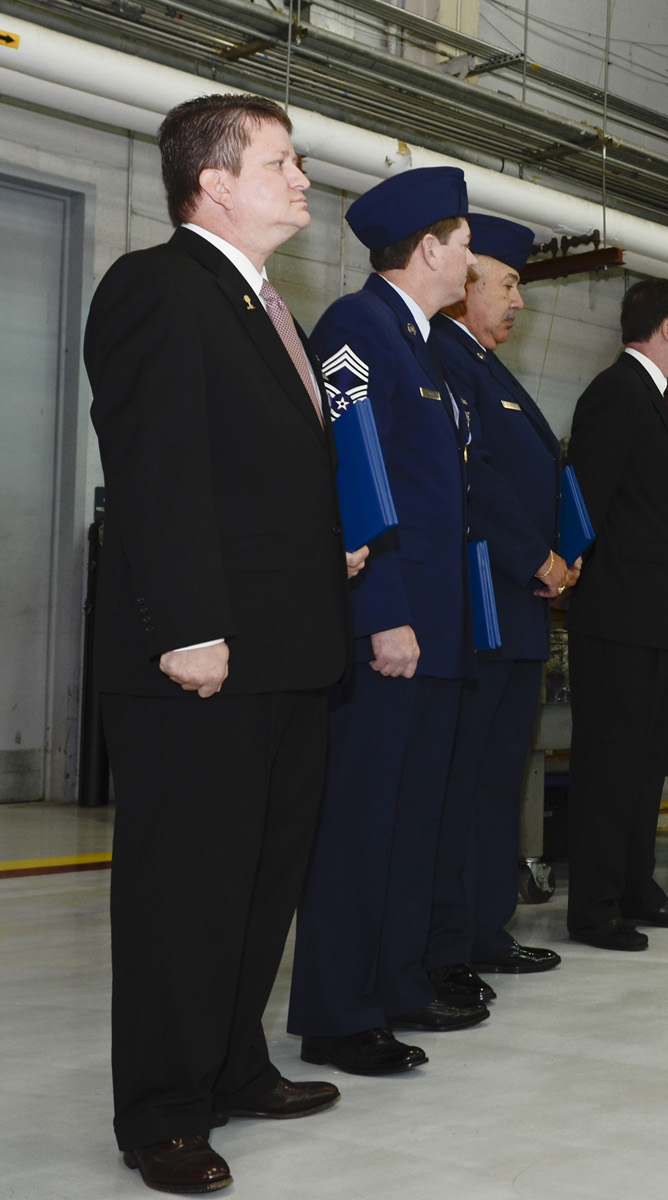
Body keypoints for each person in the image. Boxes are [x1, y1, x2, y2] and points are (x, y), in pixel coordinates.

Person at [86, 93, 364, 1193]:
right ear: (214, 182)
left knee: (259, 880)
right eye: (283, 162)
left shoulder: (264, 306)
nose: (302, 180)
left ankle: (234, 1064)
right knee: (183, 890)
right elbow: (158, 469)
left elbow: (257, 477)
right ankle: (160, 1109)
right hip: (204, 657)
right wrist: (192, 626)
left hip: (287, 649)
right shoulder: (157, 287)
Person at [288, 166, 491, 1077]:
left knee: (415, 820)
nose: (473, 260)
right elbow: (355, 485)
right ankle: (338, 1011)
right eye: (464, 244)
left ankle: (398, 984)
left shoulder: (427, 349)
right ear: (426, 249)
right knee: (362, 823)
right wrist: (384, 613)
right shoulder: (356, 331)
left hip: (440, 632)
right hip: (394, 628)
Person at [423, 215, 569, 1006]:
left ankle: (484, 928)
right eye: (509, 283)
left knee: (496, 779)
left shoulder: (488, 367)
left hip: (519, 608)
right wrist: (535, 556)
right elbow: (471, 478)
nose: (519, 300)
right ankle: (453, 936)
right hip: (484, 598)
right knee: (465, 780)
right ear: (466, 284)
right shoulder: (446, 358)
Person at [562, 279, 668, 951]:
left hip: (654, 619)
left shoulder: (654, 400)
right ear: (665, 328)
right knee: (609, 766)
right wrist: (568, 566)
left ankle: (635, 887)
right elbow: (587, 496)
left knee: (646, 763)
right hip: (617, 617)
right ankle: (593, 908)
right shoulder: (616, 393)